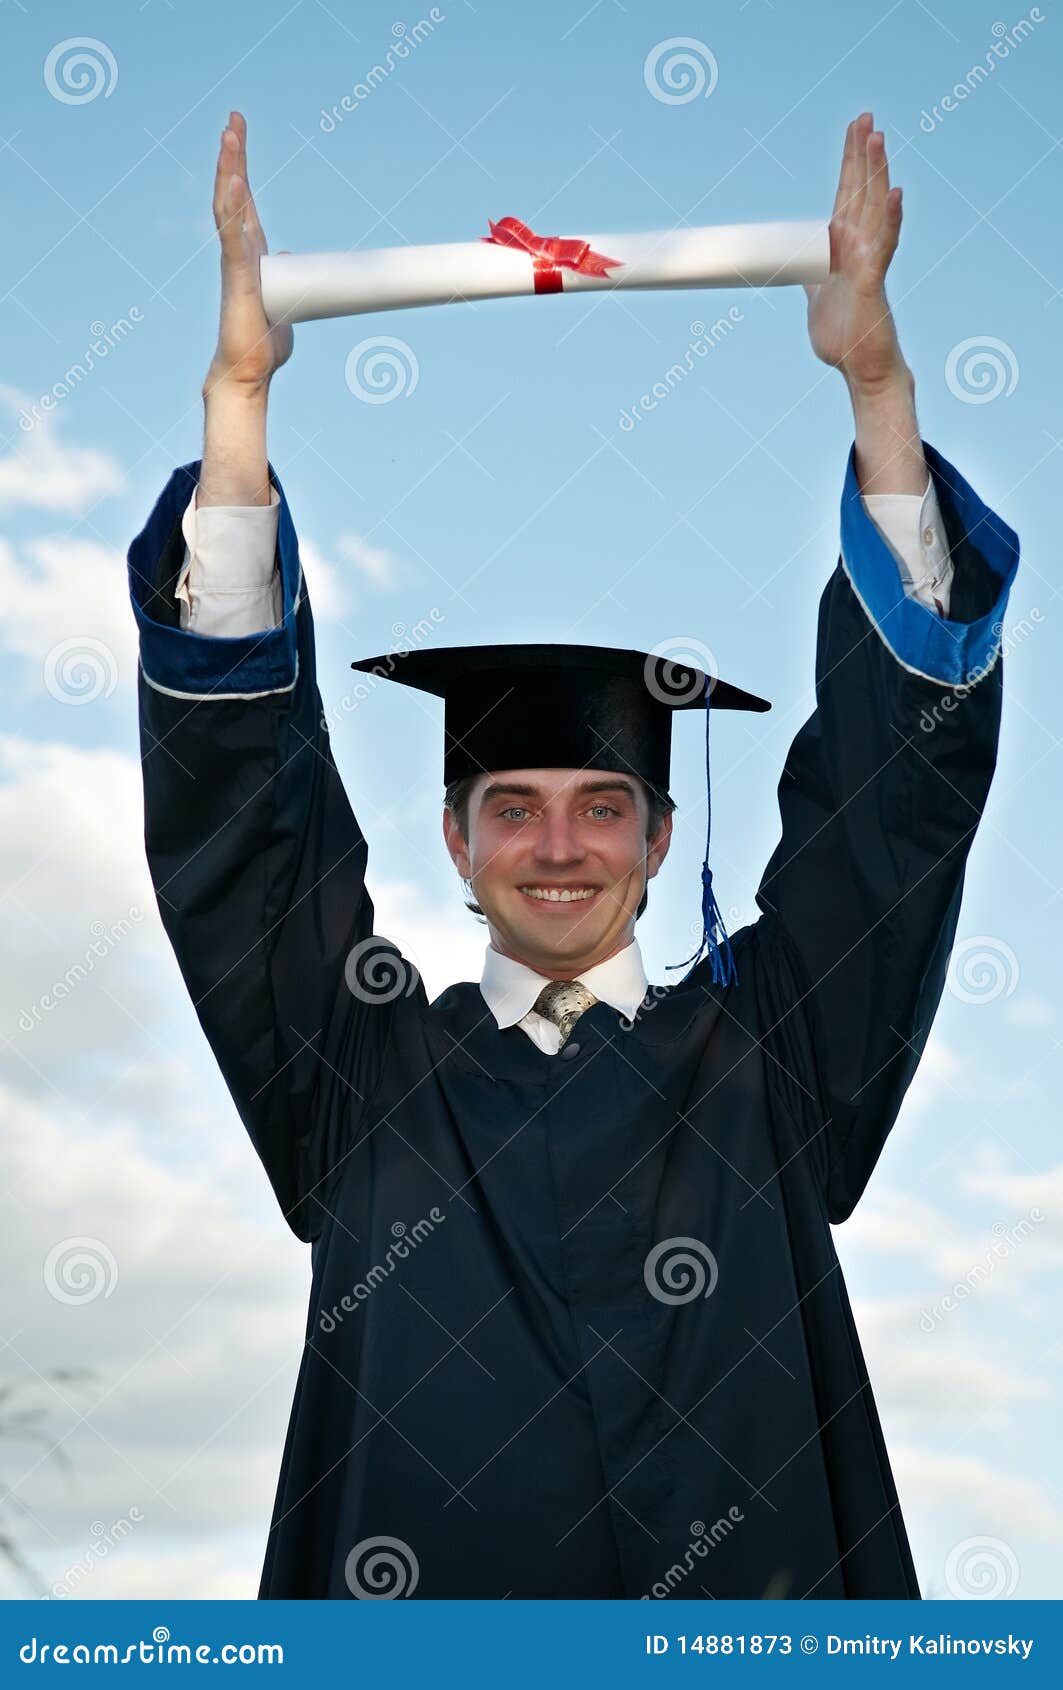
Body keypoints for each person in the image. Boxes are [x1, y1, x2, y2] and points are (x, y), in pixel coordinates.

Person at [127, 110, 1018, 1599]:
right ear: (454, 841)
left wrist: (877, 386)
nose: (558, 846)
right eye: (514, 806)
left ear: (663, 836)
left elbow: (891, 813)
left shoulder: (775, 1061)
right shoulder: (354, 1073)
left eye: (603, 804)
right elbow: (244, 832)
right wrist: (236, 406)